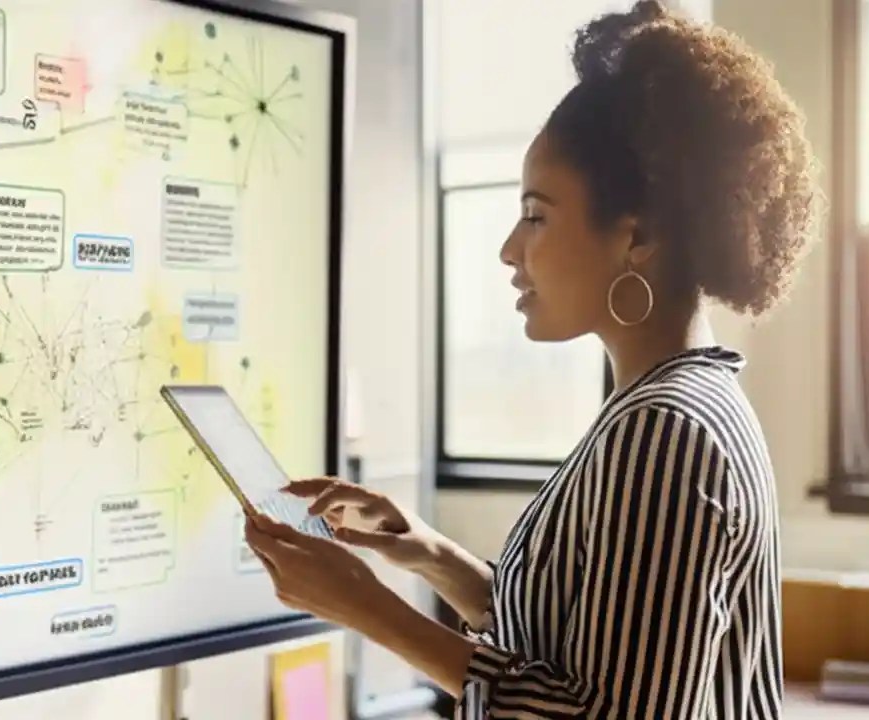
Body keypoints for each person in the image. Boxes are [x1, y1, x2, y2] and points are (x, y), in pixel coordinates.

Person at [244, 1, 821, 717]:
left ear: (635, 238)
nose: (511, 249)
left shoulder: (668, 433)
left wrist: (369, 610)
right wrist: (423, 550)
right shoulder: (679, 404)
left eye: (537, 214)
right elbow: (591, 642)